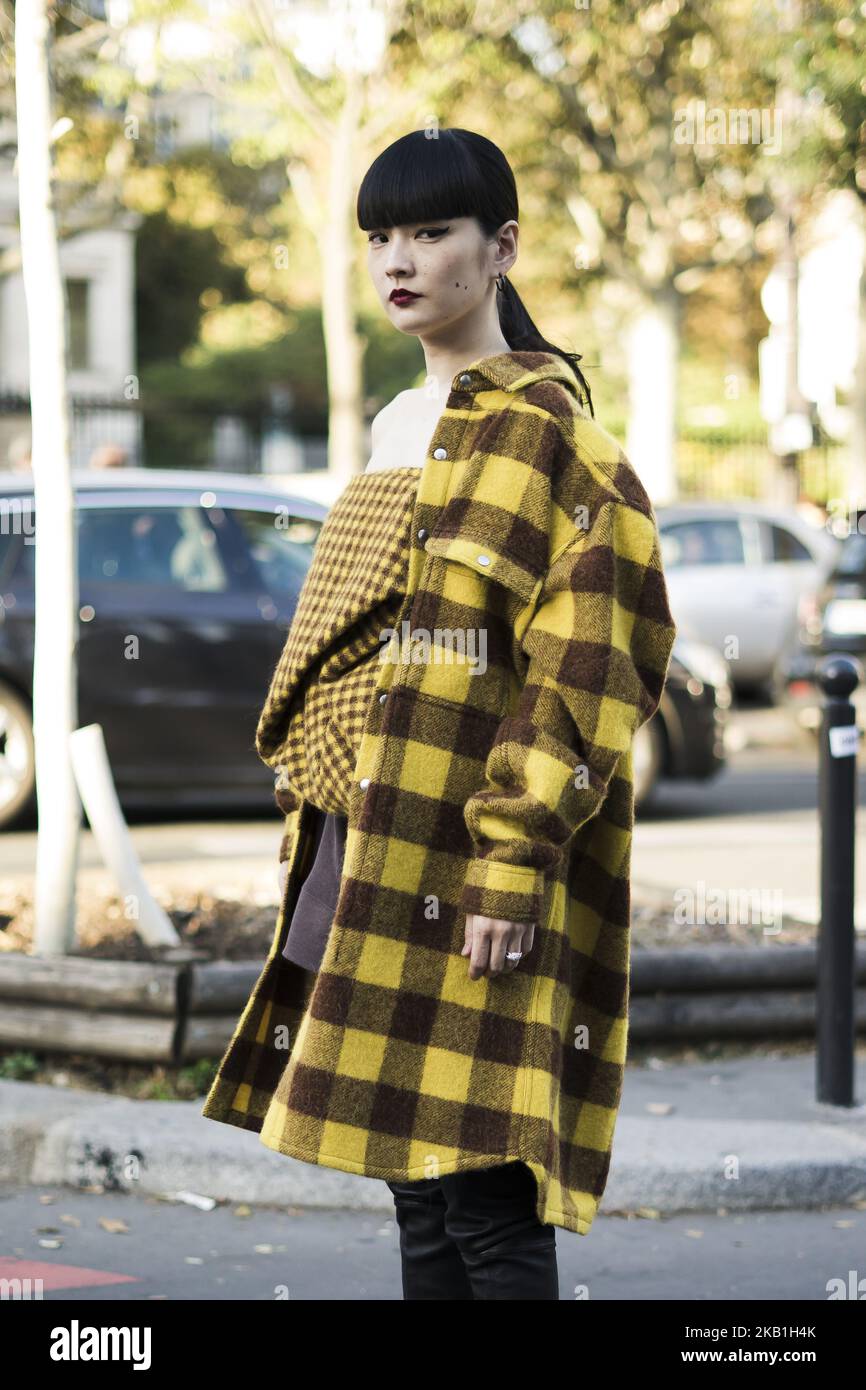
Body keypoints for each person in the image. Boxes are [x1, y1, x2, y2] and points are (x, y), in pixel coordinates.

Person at [202, 127, 678, 1301]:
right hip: (360, 842)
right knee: (412, 1191)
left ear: (500, 247)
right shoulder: (387, 427)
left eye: (430, 232)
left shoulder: (558, 441)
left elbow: (585, 676)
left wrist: (511, 865)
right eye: (378, 237)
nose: (397, 260)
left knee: (484, 1202)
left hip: (468, 862)